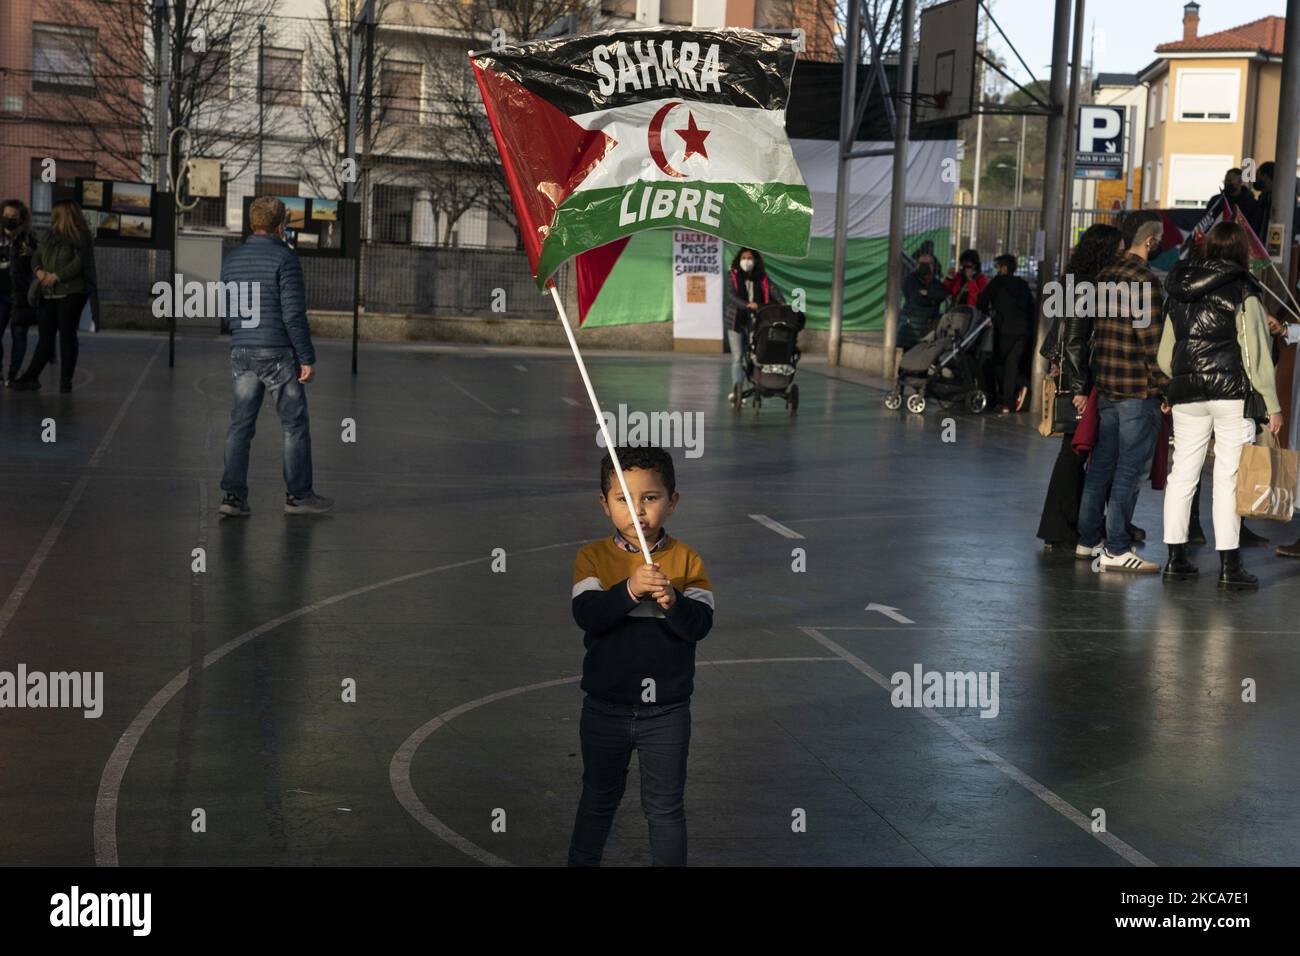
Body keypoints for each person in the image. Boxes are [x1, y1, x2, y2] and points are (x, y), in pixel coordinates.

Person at [567, 446, 714, 867]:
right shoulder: (592, 558)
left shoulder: (687, 561)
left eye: (650, 498)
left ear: (672, 501)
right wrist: (629, 590)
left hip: (667, 712)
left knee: (665, 809)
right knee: (597, 799)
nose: (637, 511)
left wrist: (674, 601)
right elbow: (588, 616)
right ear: (604, 504)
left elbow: (699, 626)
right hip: (604, 708)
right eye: (623, 500)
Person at [1158, 221, 1283, 588]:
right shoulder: (1244, 289)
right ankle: (1230, 567)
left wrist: (1184, 374)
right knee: (1228, 479)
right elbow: (1255, 353)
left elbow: (1166, 357)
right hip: (1231, 395)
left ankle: (1175, 559)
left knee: (1182, 474)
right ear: (1242, 251)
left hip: (1186, 396)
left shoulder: (1178, 288)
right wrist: (1271, 404)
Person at [218, 196, 332, 516]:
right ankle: (298, 496)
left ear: (253, 223)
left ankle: (232, 498)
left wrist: (241, 335)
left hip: (242, 349)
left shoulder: (233, 259)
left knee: (240, 425)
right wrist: (306, 357)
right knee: (294, 425)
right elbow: (293, 315)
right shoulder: (285, 259)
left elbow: (227, 310)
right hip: (276, 352)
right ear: (281, 225)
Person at [1075, 218, 1168, 572]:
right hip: (1136, 390)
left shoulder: (1103, 275)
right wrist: (1164, 386)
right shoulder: (1144, 280)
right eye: (1157, 241)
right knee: (1129, 471)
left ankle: (1087, 542)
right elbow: (1152, 341)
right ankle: (1116, 549)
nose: (1157, 246)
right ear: (1149, 241)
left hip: (1108, 387)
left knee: (1100, 466)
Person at [1037, 223, 1124, 549]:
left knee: (1075, 454)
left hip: (1078, 377)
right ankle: (1063, 528)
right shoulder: (1086, 286)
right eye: (1118, 249)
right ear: (1105, 251)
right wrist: (1079, 389)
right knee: (1075, 454)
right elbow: (1075, 339)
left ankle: (1070, 525)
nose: (1122, 254)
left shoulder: (1075, 281)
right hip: (1082, 382)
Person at [12, 200, 95, 393]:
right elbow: (36, 256)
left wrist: (57, 276)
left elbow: (80, 262)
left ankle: (65, 381)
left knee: (67, 335)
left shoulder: (81, 235)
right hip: (48, 294)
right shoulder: (49, 235)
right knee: (46, 338)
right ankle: (31, 378)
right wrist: (39, 271)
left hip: (72, 292)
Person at [725, 247, 783, 402]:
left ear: (755, 260)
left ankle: (755, 385)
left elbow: (773, 290)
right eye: (743, 258)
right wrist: (747, 304)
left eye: (750, 258)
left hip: (756, 321)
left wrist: (782, 303)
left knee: (752, 356)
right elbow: (731, 295)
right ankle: (738, 392)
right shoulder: (733, 275)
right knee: (738, 357)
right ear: (739, 260)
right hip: (735, 320)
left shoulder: (762, 278)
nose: (747, 261)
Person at [978, 254, 1035, 413]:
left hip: (1003, 330)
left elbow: (981, 301)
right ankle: (1008, 403)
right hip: (1021, 332)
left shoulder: (997, 283)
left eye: (998, 266)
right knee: (1012, 366)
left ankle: (1001, 398)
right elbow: (1031, 308)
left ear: (1003, 267)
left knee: (998, 365)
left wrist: (991, 313)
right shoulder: (1022, 285)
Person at [0, 199, 38, 386]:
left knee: (19, 336)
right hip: (0, 294)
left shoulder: (29, 239)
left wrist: (32, 254)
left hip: (20, 296)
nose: (8, 220)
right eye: (5, 216)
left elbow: (42, 261)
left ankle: (13, 374)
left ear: (21, 219)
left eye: (13, 217)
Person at [900, 250, 944, 347]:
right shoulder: (910, 279)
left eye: (929, 264)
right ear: (918, 265)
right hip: (912, 327)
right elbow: (916, 298)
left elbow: (941, 295)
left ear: (933, 265)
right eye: (923, 264)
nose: (926, 266)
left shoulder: (936, 282)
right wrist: (932, 300)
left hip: (929, 328)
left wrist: (927, 293)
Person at [1251, 161, 1274, 240]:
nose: (1255, 180)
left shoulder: (1276, 200)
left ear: (1265, 176)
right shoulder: (1264, 197)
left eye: (1257, 176)